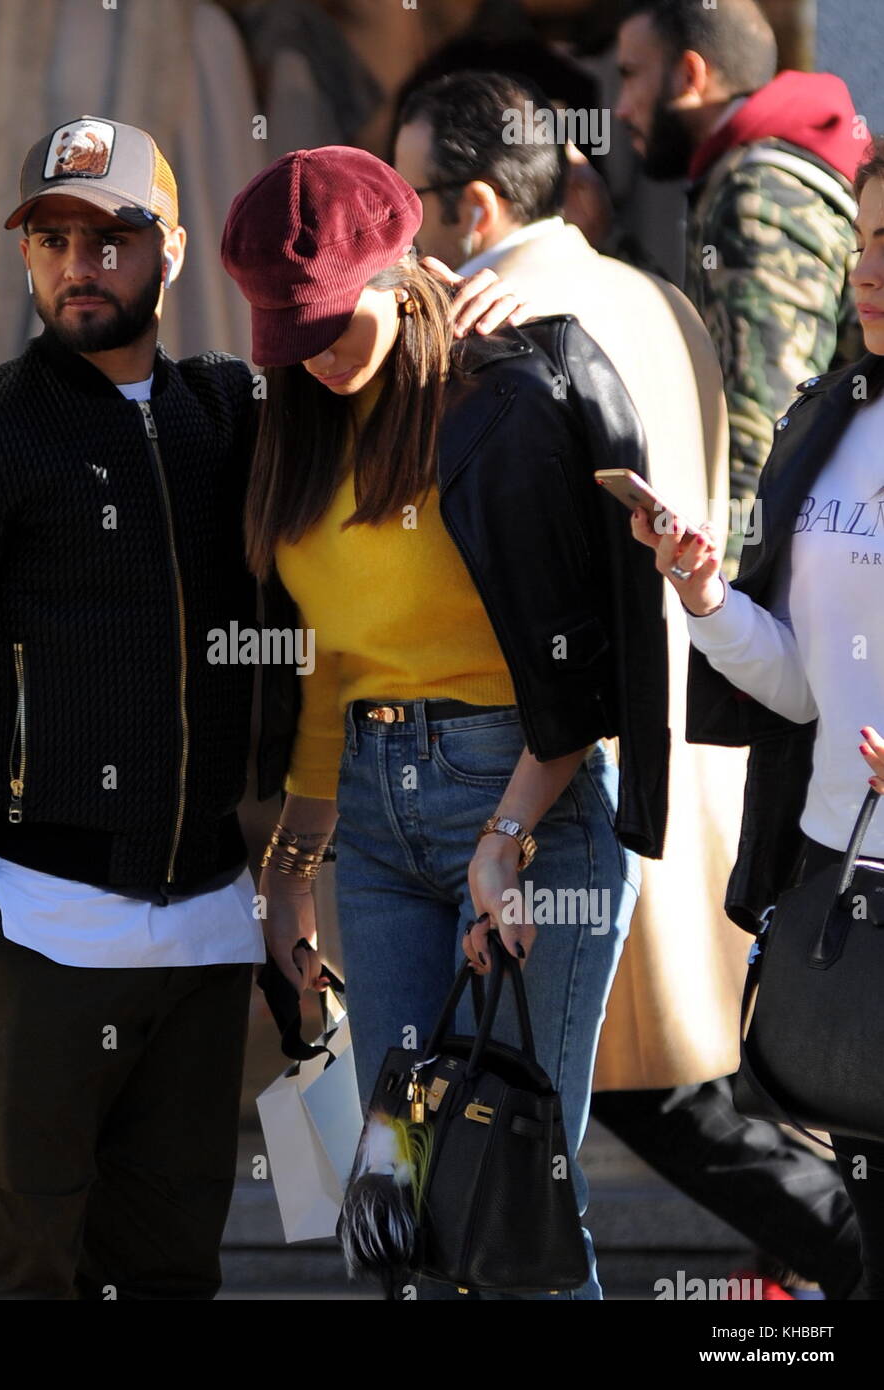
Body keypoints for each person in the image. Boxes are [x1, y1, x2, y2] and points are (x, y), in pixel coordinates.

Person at [0, 113, 520, 1300]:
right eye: (52, 238)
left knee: (168, 1274)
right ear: (25, 257)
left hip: (211, 931)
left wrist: (448, 299)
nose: (79, 264)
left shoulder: (238, 410)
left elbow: (363, 358)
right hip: (41, 924)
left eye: (111, 236)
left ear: (168, 251)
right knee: (11, 1273)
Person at [394, 68, 864, 1300]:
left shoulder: (490, 323)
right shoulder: (654, 293)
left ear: (474, 206)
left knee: (617, 1104)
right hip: (690, 749)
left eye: (409, 201)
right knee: (647, 1096)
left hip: (551, 765)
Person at [221, 145, 670, 1300]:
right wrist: (291, 863)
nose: (313, 359)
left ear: (402, 272)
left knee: (511, 1209)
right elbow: (329, 674)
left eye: (330, 326)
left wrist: (506, 838)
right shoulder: (298, 425)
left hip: (523, 797)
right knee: (399, 1212)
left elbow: (574, 671)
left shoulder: (500, 401)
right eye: (287, 337)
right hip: (372, 825)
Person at [631, 137, 884, 1301]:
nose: (869, 270)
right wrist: (706, 594)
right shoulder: (834, 420)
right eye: (866, 241)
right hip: (841, 881)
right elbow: (802, 687)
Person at [615, 0, 870, 575]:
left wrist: (726, 613)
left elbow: (764, 427)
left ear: (689, 75)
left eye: (631, 75)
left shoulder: (757, 193)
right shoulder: (757, 169)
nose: (619, 107)